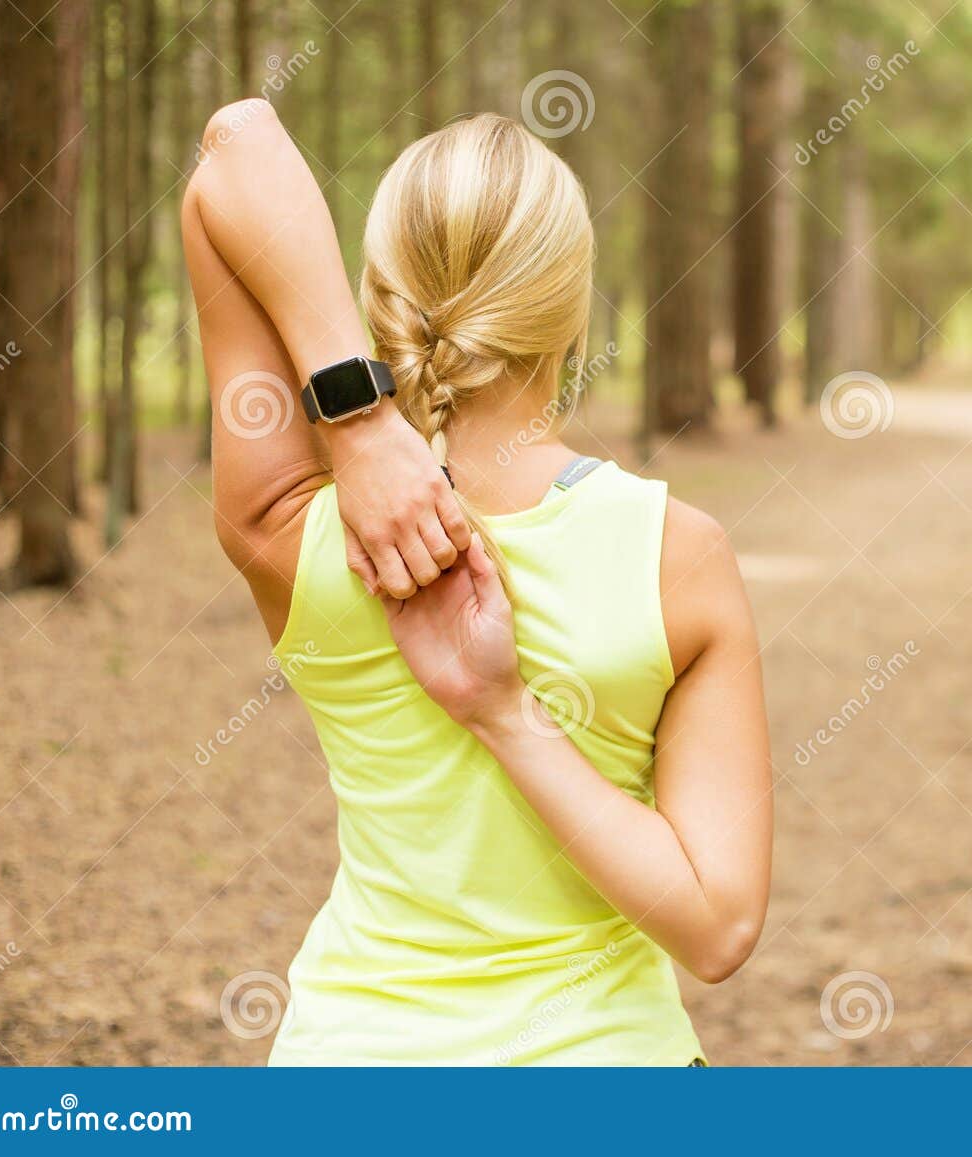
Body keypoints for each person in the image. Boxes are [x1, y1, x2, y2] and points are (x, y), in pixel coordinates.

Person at [181, 101, 773, 1065]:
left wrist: (356, 417)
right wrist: (506, 716)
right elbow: (718, 928)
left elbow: (236, 146)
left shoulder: (292, 529)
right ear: (571, 310)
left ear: (376, 298)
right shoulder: (680, 556)